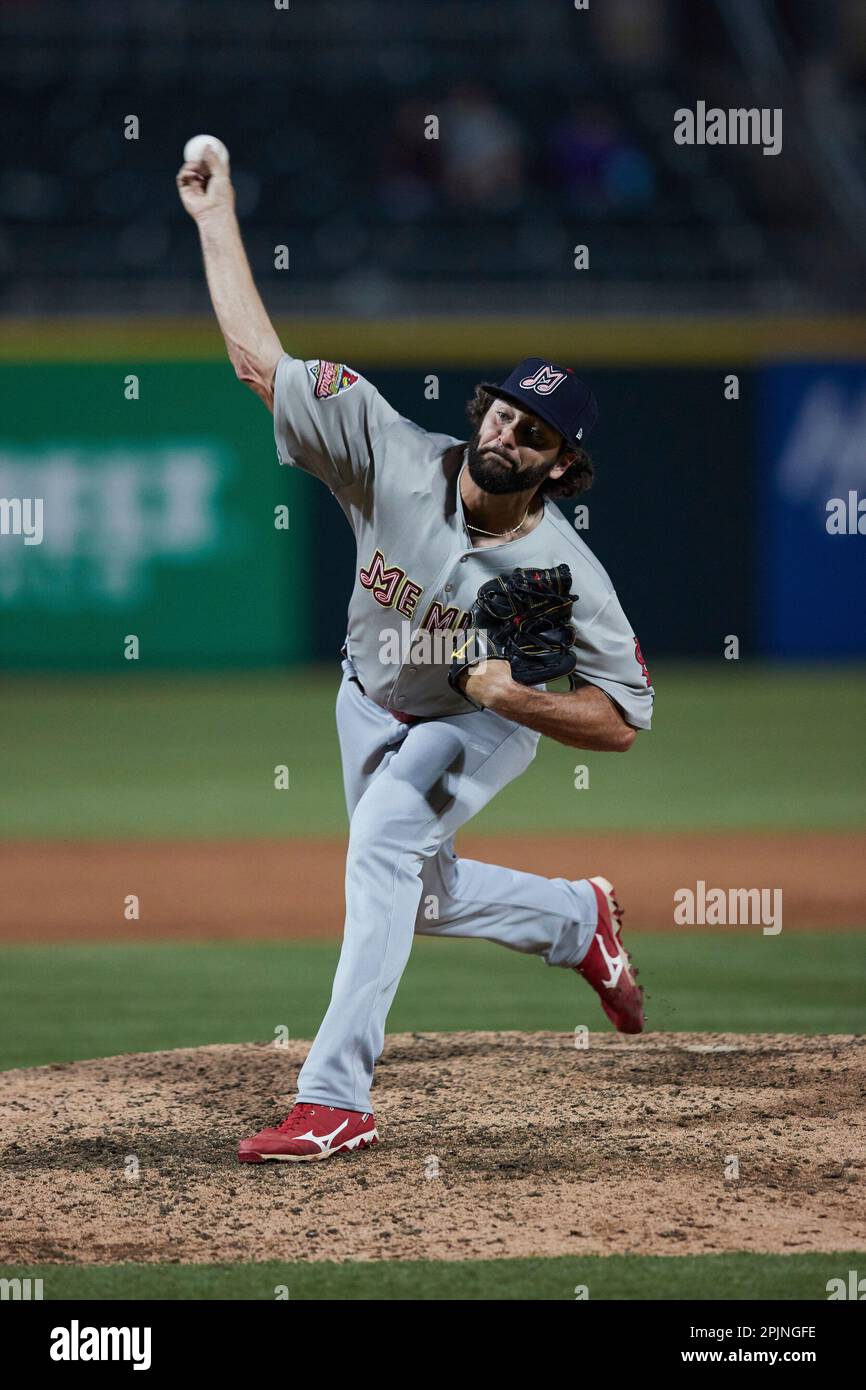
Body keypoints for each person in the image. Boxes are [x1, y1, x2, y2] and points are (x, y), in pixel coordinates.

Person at [177, 145, 654, 1165]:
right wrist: (215, 218)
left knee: (385, 844)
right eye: (501, 410)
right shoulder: (389, 450)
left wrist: (510, 698)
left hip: (477, 721)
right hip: (366, 696)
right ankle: (577, 920)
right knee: (417, 890)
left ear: (560, 466)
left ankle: (335, 1096)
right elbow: (259, 363)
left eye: (532, 434)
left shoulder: (565, 574)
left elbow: (619, 720)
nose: (505, 433)